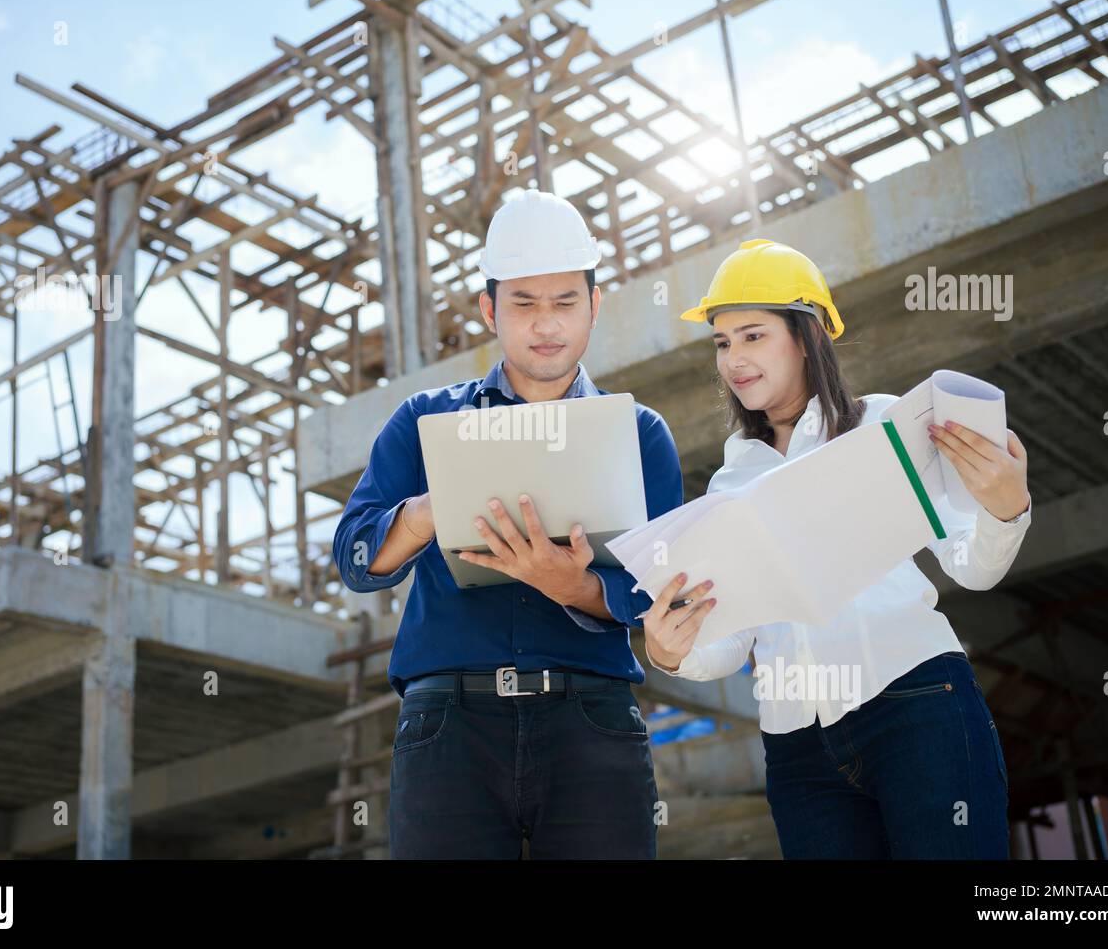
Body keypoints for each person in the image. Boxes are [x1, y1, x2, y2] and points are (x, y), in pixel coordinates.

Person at [643, 238, 1031, 859]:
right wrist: (670, 652)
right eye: (722, 342)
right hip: (799, 753)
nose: (733, 358)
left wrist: (1005, 508)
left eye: (752, 335)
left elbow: (974, 567)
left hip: (917, 705)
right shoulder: (727, 484)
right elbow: (728, 644)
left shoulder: (886, 425)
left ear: (806, 335)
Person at [333, 189, 683, 859]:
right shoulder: (424, 422)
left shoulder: (639, 435)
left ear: (594, 305)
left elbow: (660, 591)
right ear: (491, 309)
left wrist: (574, 587)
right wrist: (434, 508)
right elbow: (354, 558)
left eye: (564, 303)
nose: (546, 324)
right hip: (447, 728)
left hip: (591, 721)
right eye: (524, 304)